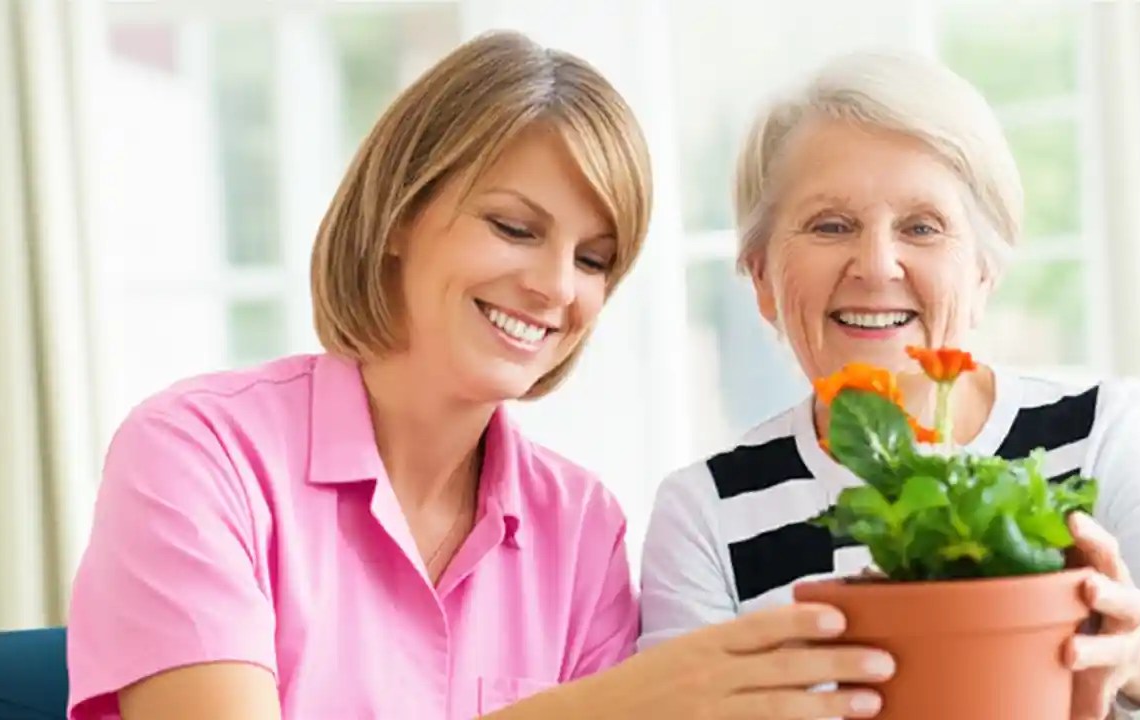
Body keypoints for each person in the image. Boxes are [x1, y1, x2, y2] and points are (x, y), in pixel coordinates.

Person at [66, 32, 894, 720]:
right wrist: (602, 708)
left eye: (594, 259)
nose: (555, 287)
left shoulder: (578, 526)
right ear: (399, 213)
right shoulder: (199, 457)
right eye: (513, 227)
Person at [638, 50, 1140, 719]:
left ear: (981, 276)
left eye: (922, 227)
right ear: (762, 278)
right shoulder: (706, 512)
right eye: (831, 225)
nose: (877, 263)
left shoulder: (1098, 435)